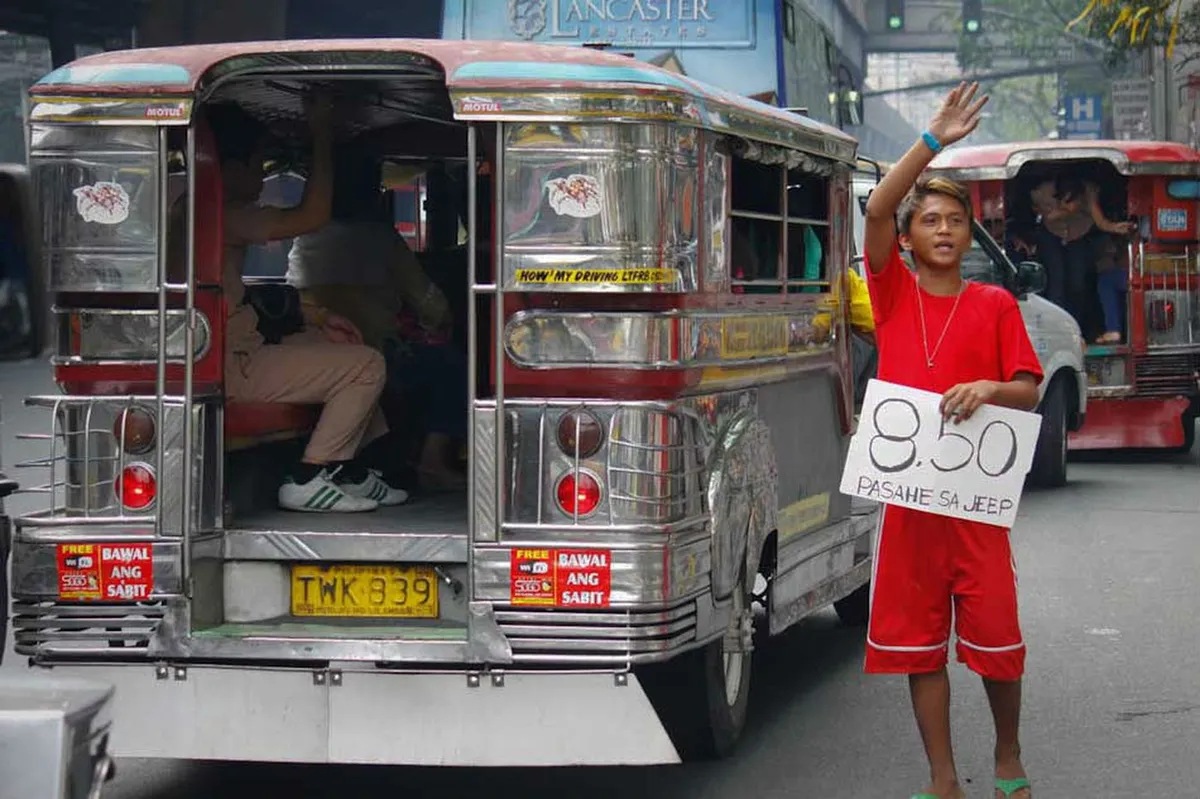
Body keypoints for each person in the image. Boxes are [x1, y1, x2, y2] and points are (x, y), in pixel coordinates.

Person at [861, 82, 1042, 799]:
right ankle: (941, 776)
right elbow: (876, 206)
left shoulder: (993, 304)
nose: (942, 229)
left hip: (976, 505)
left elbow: (1027, 387)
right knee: (918, 643)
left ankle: (1007, 751)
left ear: (969, 236)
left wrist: (991, 389)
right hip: (911, 506)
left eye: (954, 221)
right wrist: (934, 140)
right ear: (906, 239)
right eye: (928, 220)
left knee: (998, 638)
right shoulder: (892, 293)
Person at [207, 98, 408, 513]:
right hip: (231, 365)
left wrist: (315, 315)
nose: (264, 178)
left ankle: (348, 469)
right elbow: (313, 214)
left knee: (340, 347)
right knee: (366, 365)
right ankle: (309, 477)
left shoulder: (197, 211)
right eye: (259, 164)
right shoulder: (225, 212)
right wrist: (321, 136)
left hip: (235, 352)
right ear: (228, 169)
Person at [286, 153, 467, 491]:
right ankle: (433, 460)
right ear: (373, 193)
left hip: (314, 347)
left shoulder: (305, 237)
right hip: (376, 350)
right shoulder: (382, 240)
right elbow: (433, 306)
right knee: (454, 368)